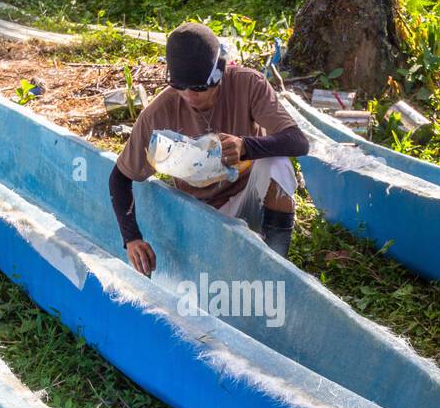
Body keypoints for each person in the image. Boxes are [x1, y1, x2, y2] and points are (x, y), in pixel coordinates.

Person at [108, 22, 309, 276]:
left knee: (278, 165)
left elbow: (297, 141)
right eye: (181, 87)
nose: (190, 96)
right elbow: (119, 178)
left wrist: (246, 146)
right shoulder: (159, 113)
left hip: (249, 196)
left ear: (219, 74)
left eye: (200, 88)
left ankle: (277, 268)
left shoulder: (247, 85)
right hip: (203, 215)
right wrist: (131, 238)